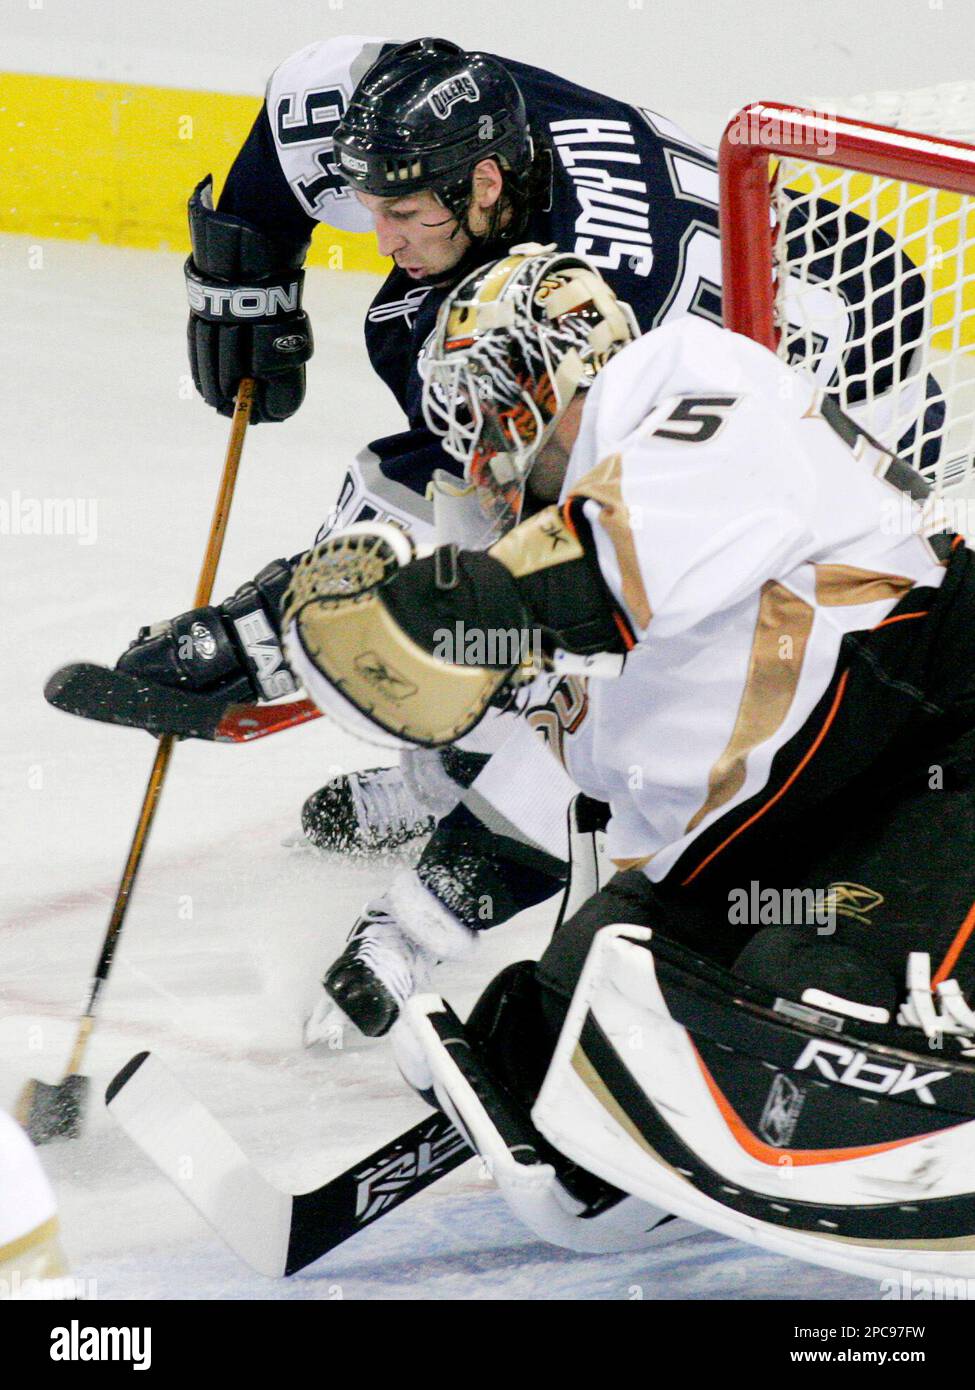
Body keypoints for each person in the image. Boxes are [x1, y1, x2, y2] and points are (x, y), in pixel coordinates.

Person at [115, 38, 931, 1040]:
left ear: (486, 186)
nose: (381, 241)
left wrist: (265, 638)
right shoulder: (477, 118)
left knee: (608, 638)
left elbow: (508, 572)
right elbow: (309, 99)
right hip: (806, 301)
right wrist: (246, 269)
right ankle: (458, 774)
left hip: (848, 380)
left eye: (404, 217)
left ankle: (455, 771)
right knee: (565, 644)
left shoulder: (644, 361)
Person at [279, 243, 975, 1268]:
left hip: (949, 750)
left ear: (548, 370)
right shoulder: (594, 528)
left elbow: (603, 558)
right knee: (588, 996)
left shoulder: (694, 386)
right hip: (814, 803)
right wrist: (410, 926)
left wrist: (463, 601)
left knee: (811, 987)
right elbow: (558, 764)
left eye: (486, 408)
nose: (476, 452)